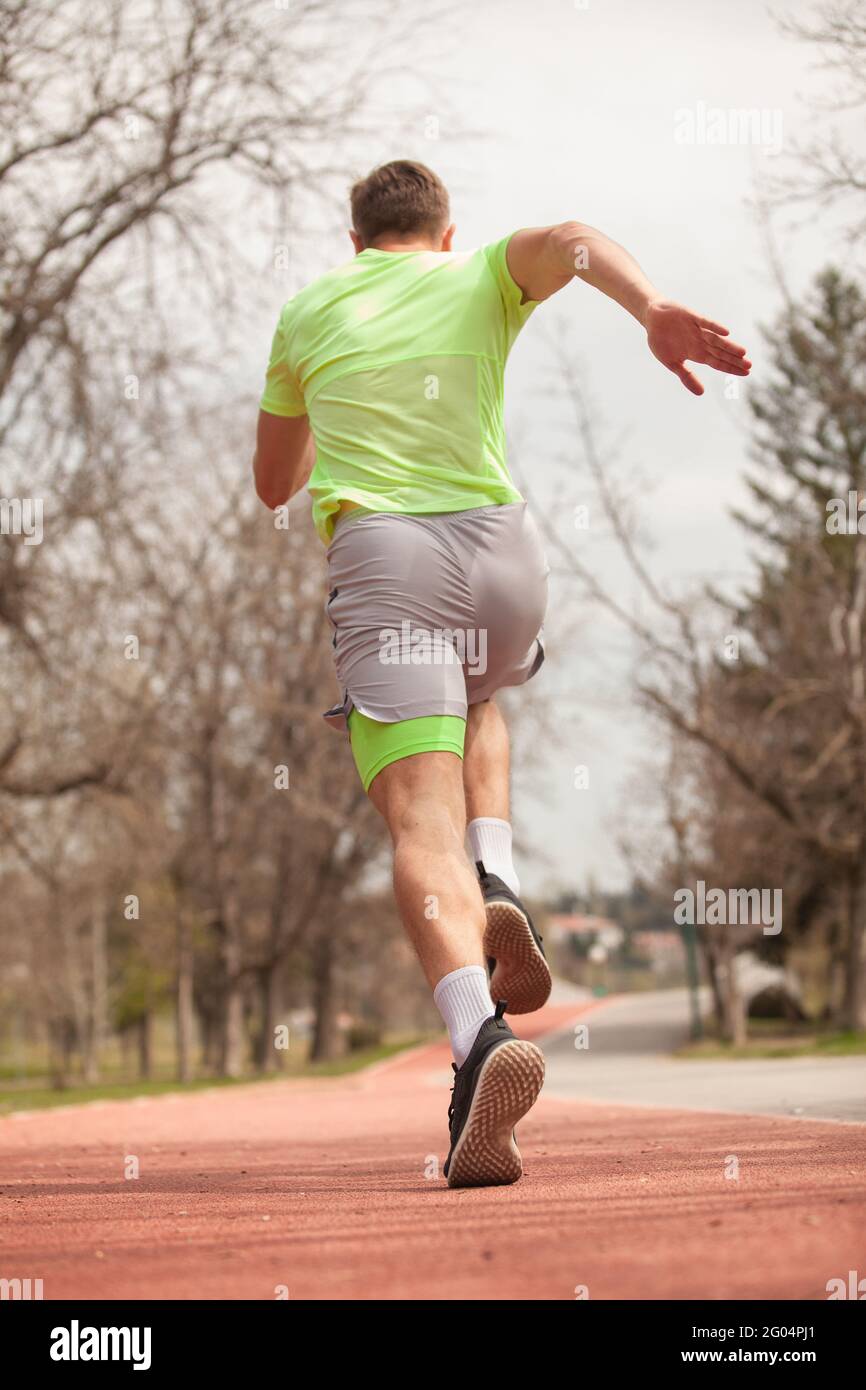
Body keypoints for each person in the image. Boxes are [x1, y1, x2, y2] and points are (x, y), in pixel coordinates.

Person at [253, 160, 751, 1188]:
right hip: (500, 556)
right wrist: (649, 305)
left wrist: (322, 404)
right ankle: (499, 875)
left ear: (354, 246)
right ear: (442, 232)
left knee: (411, 822)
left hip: (385, 560)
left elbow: (272, 481)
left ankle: (477, 1040)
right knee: (481, 693)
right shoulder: (479, 272)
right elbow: (571, 233)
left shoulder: (306, 313)